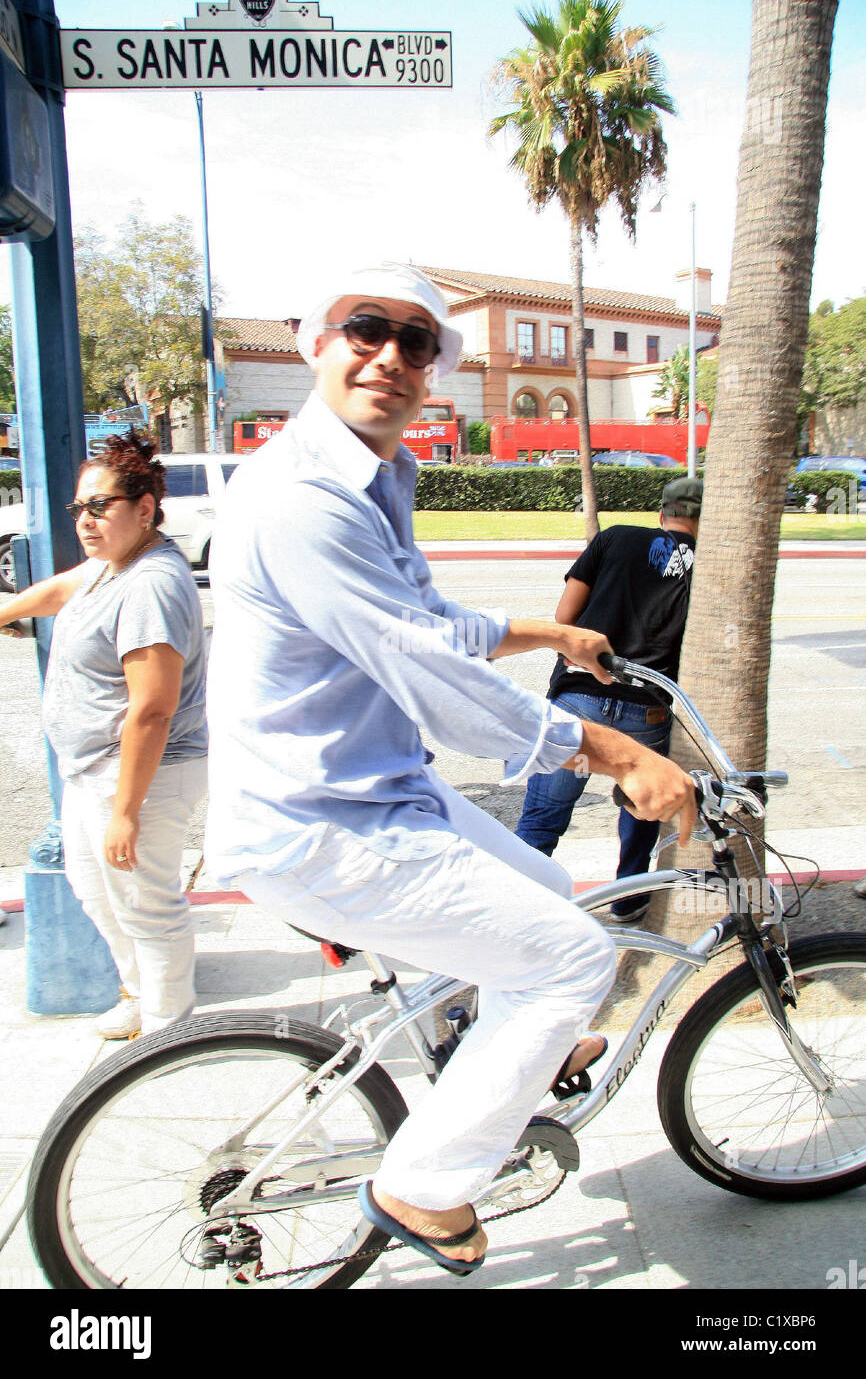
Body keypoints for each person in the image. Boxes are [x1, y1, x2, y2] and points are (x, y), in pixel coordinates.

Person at [204, 262, 697, 1275]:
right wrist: (608, 747)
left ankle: (513, 1051)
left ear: (434, 369)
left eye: (415, 341)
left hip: (378, 795)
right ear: (316, 343)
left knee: (550, 886)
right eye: (365, 330)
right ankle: (420, 1187)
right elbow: (423, 669)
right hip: (324, 824)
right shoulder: (303, 497)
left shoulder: (377, 473)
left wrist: (538, 632)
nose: (389, 355)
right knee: (571, 958)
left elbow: (419, 620)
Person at [0, 431, 208, 1037]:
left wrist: (127, 809)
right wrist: (7, 612)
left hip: (142, 773)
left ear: (145, 509)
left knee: (147, 906)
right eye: (78, 509)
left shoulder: (151, 584)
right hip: (94, 769)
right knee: (98, 893)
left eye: (100, 507)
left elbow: (152, 710)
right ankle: (142, 997)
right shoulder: (113, 565)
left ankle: (169, 1033)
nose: (85, 521)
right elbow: (66, 587)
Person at [516, 476, 702, 923]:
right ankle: (628, 898)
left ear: (662, 513)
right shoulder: (708, 564)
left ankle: (520, 907)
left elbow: (564, 618)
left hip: (580, 700)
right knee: (640, 804)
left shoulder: (616, 537)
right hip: (647, 707)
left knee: (545, 812)